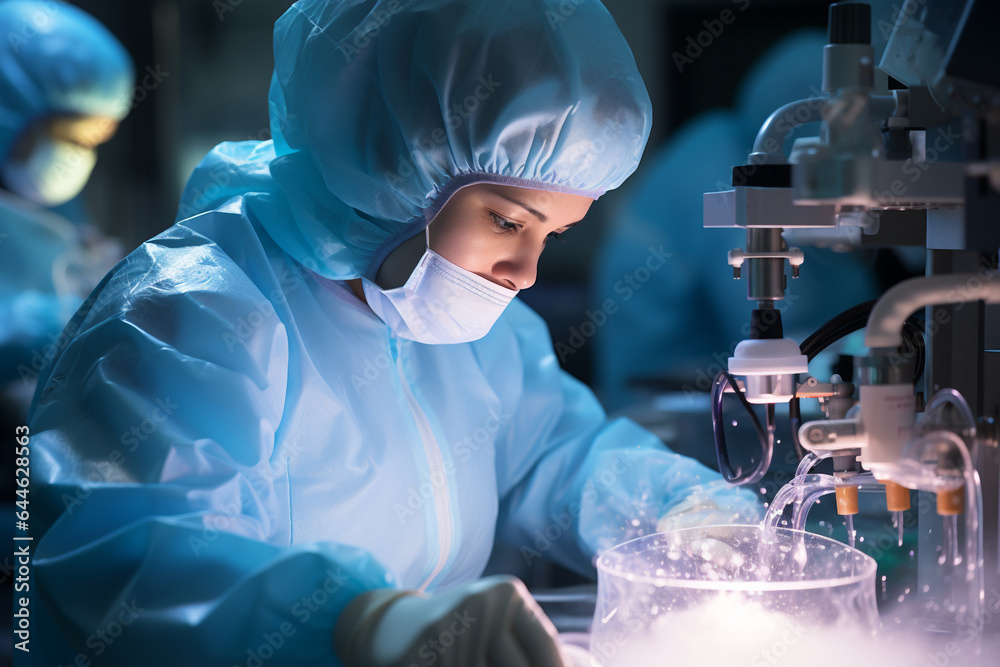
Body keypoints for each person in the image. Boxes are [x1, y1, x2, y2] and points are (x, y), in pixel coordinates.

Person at [28, 1, 759, 665]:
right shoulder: (192, 313)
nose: (526, 272)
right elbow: (130, 563)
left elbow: (553, 452)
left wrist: (674, 512)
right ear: (392, 163)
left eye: (554, 233)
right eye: (507, 221)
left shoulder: (473, 327)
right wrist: (360, 625)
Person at [592, 31, 898, 413]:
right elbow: (798, 327)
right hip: (677, 402)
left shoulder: (719, 141)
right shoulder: (721, 171)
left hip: (689, 392)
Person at [0, 0, 133, 415]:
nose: (79, 161)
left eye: (95, 144)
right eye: (73, 140)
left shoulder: (54, 202)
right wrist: (55, 322)